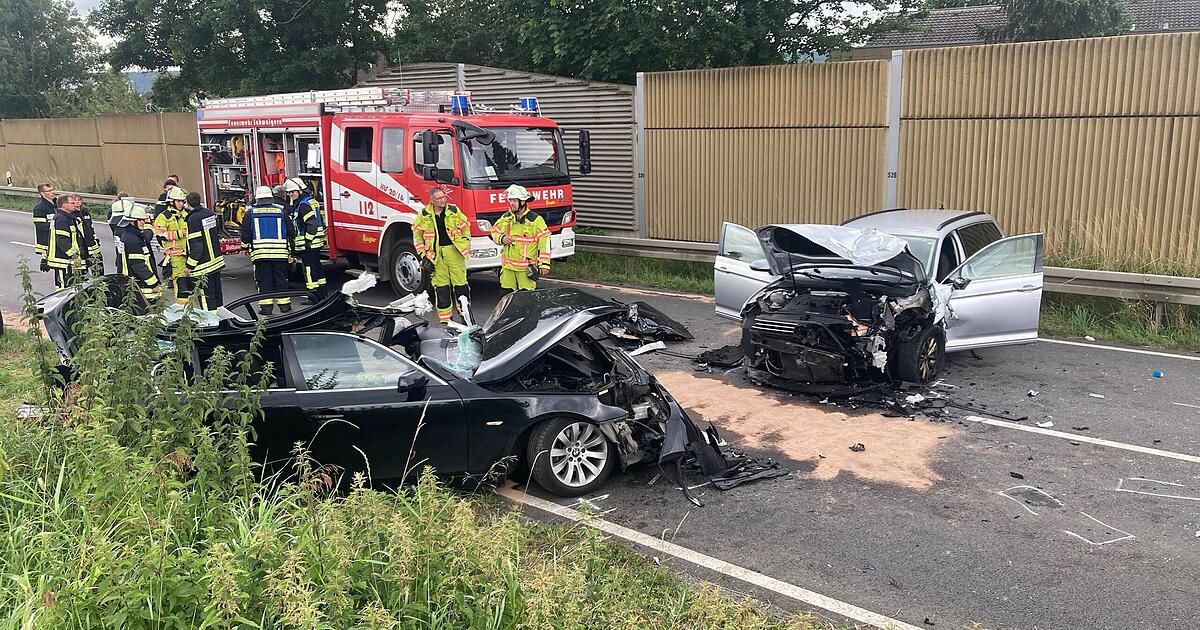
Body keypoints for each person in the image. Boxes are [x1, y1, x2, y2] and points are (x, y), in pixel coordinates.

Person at [413, 186, 471, 323]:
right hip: (436, 256)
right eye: (439, 198)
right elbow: (417, 236)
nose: (443, 200)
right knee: (442, 290)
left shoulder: (454, 211)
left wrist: (465, 243)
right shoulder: (424, 215)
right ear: (432, 200)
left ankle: (466, 320)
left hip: (454, 252)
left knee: (461, 288)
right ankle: (446, 322)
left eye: (444, 197)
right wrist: (423, 255)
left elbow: (466, 227)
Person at [241, 186, 296, 315]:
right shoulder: (281, 211)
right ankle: (285, 307)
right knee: (281, 279)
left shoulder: (251, 212)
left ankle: (266, 308)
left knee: (264, 280)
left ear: (257, 198)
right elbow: (291, 231)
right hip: (280, 253)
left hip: (261, 254)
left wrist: (245, 247)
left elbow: (245, 233)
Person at [490, 184, 550, 292]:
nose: (511, 203)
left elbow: (544, 243)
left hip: (525, 270)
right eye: (510, 200)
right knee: (506, 299)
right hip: (508, 269)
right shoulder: (506, 218)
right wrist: (501, 238)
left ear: (523, 202)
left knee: (525, 301)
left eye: (514, 201)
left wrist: (544, 264)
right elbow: (494, 231)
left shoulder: (536, 220)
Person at [284, 178, 328, 298]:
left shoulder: (303, 205)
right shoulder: (311, 201)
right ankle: (322, 292)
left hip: (308, 244)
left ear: (300, 190)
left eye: (293, 192)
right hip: (315, 243)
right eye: (289, 193)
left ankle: (313, 295)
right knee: (317, 268)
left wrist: (307, 240)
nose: (290, 195)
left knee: (309, 270)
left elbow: (312, 224)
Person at [182, 191, 225, 310]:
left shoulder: (193, 219)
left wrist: (189, 266)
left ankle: (210, 324)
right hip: (215, 262)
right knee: (216, 298)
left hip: (203, 267)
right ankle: (220, 321)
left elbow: (196, 245)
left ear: (188, 203)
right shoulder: (208, 214)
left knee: (206, 300)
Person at [115, 204, 162, 302]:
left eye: (143, 220)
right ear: (132, 221)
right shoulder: (133, 240)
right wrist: (154, 283)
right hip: (142, 286)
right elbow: (138, 265)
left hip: (135, 284)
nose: (143, 222)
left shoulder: (130, 235)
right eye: (140, 220)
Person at [154, 187, 189, 303]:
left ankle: (188, 308)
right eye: (178, 201)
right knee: (181, 284)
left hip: (188, 255)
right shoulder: (164, 216)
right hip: (175, 257)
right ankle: (182, 310)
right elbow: (159, 234)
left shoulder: (186, 214)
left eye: (182, 201)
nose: (181, 204)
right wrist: (179, 233)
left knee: (190, 285)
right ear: (171, 202)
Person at [46, 194, 82, 290]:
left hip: (66, 259)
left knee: (70, 286)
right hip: (62, 260)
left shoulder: (68, 217)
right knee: (63, 288)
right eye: (72, 203)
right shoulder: (61, 219)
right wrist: (74, 255)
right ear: (64, 204)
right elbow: (62, 240)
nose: (75, 205)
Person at [71, 194, 102, 272]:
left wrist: (95, 239)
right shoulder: (71, 214)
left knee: (97, 267)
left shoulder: (85, 212)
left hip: (92, 244)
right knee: (83, 269)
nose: (77, 202)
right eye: (75, 200)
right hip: (81, 245)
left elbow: (91, 227)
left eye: (79, 200)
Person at [32, 183, 55, 271]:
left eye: (52, 190)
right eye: (49, 191)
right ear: (42, 193)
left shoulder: (57, 204)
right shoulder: (40, 208)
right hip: (48, 241)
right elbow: (40, 226)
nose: (52, 192)